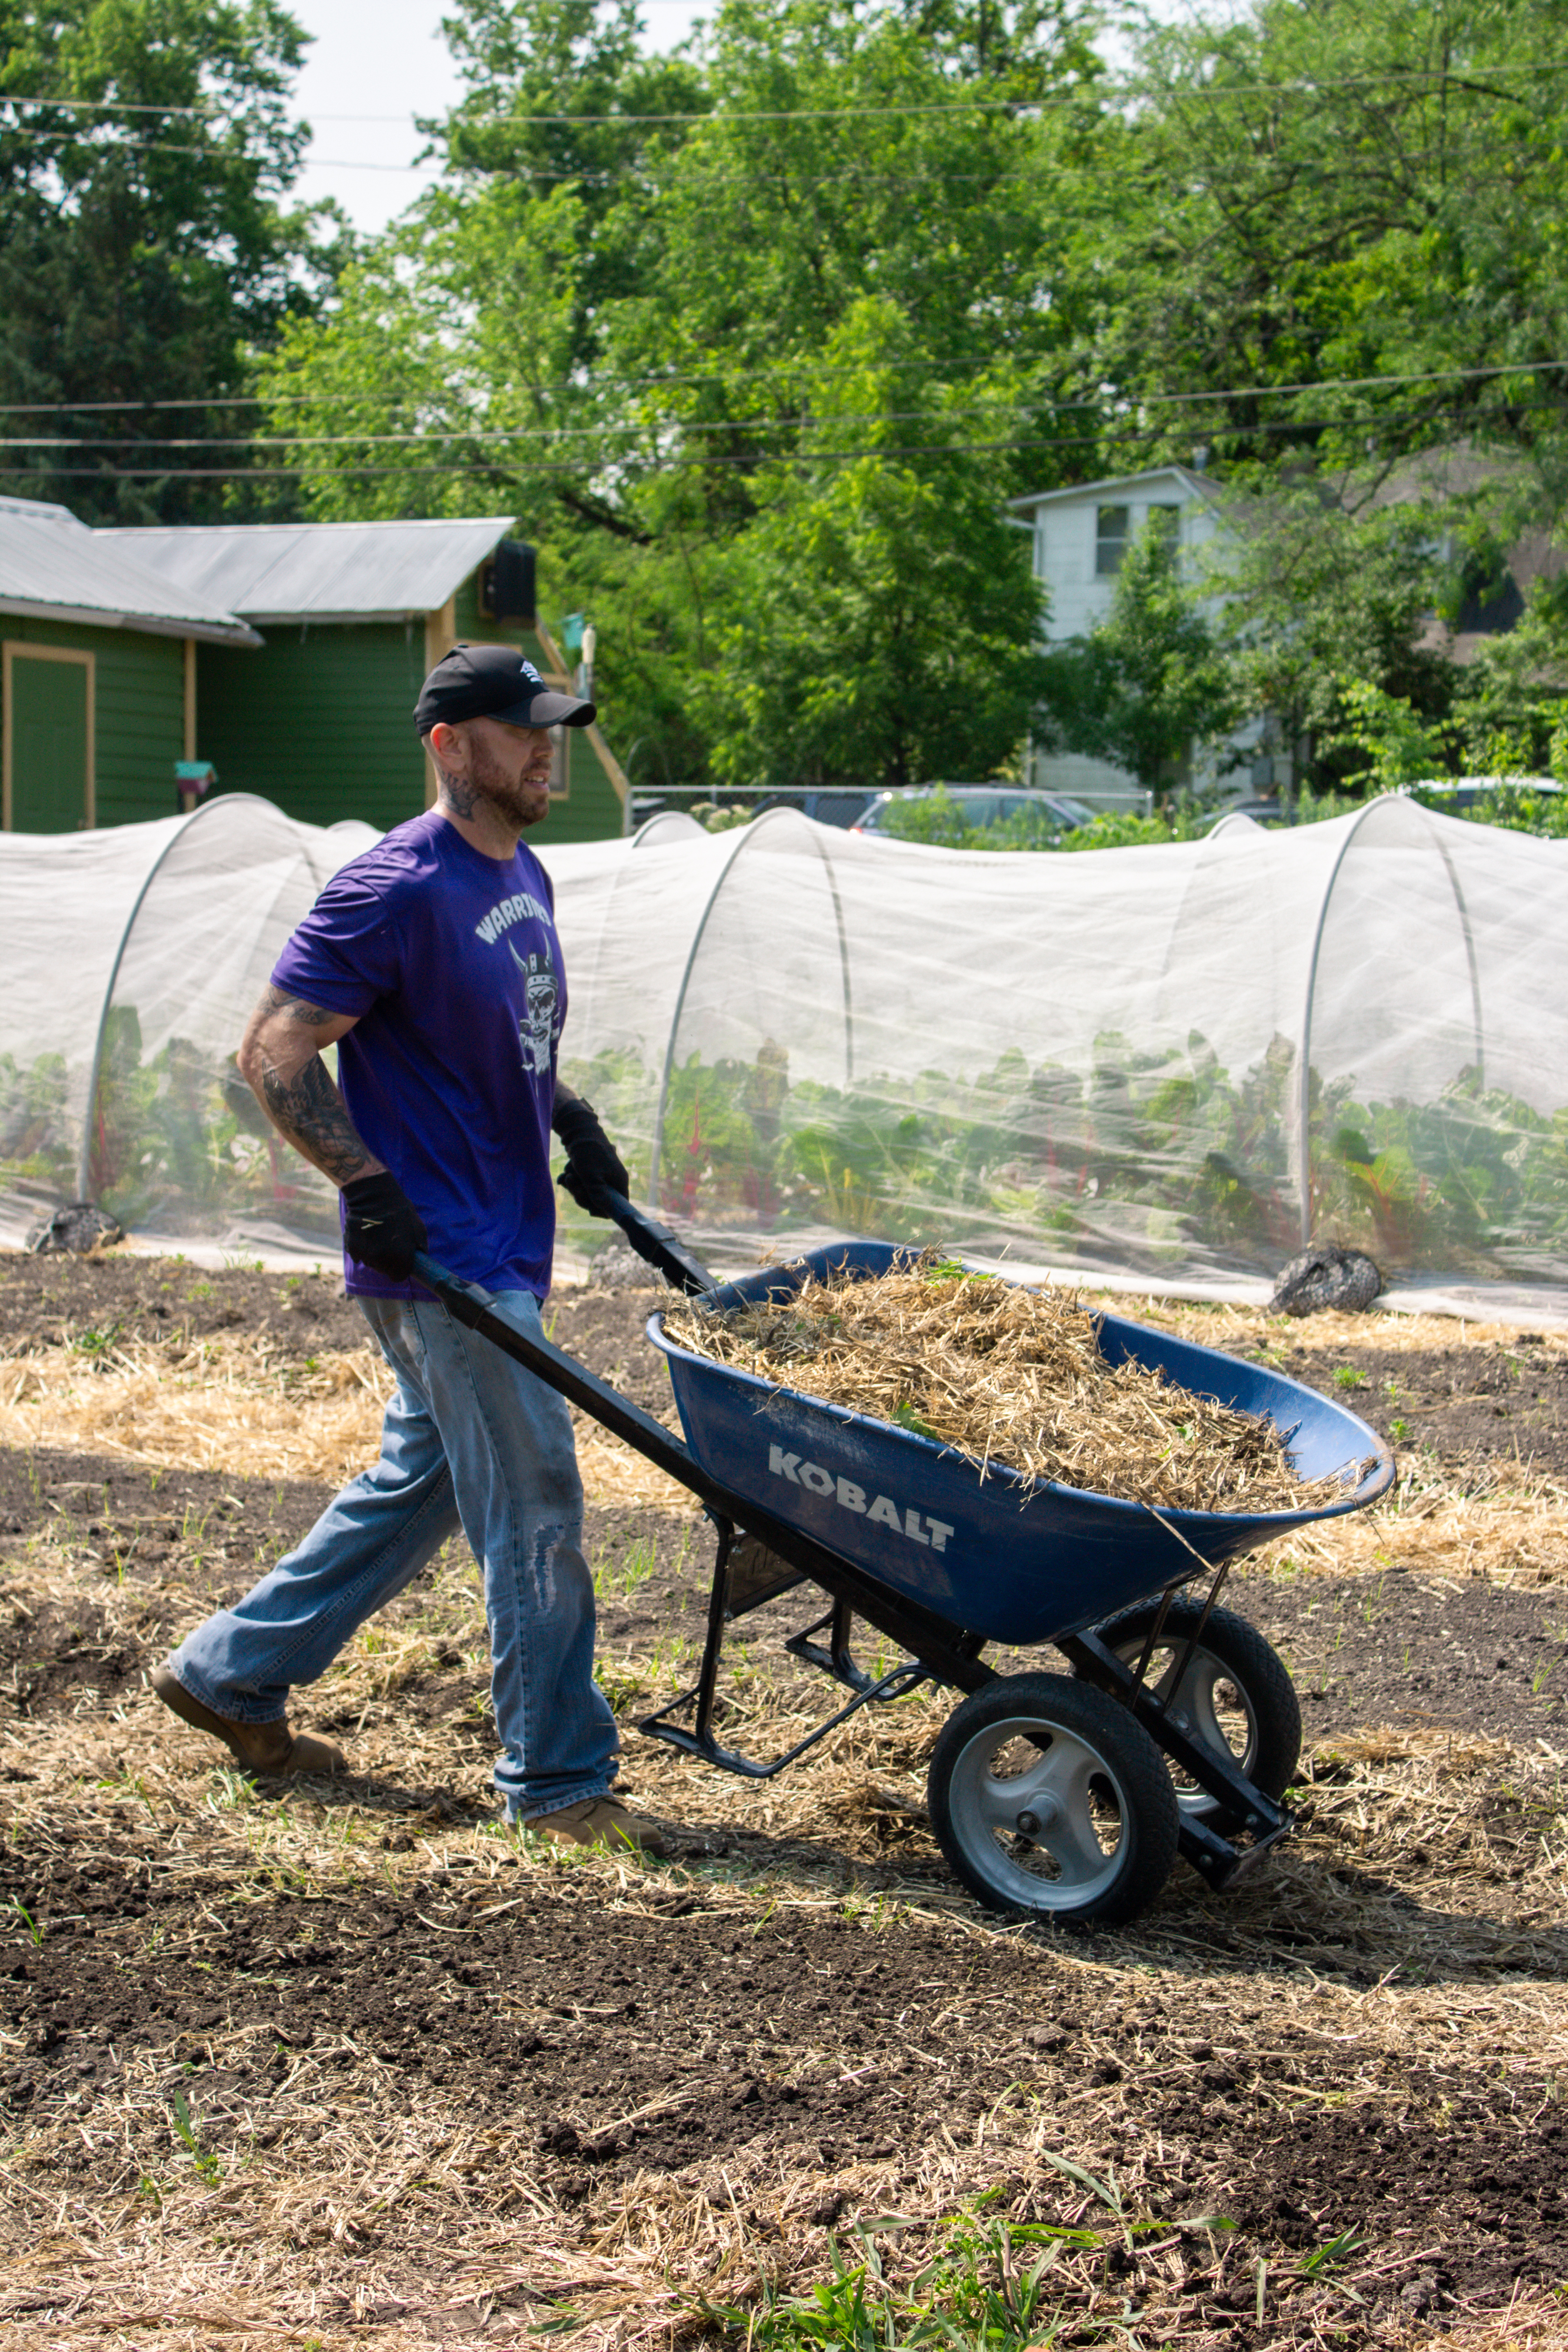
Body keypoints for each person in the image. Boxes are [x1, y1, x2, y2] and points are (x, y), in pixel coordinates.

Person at [152, 642, 668, 1856]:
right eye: (521, 728)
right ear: (448, 745)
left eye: (553, 726)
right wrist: (367, 1185)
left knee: (420, 1486)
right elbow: (275, 1049)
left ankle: (231, 1674)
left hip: (500, 1235)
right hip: (441, 1258)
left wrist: (569, 1117)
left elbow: (495, 1036)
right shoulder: (391, 885)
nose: (548, 748)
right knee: (536, 1499)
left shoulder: (523, 870)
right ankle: (557, 1780)